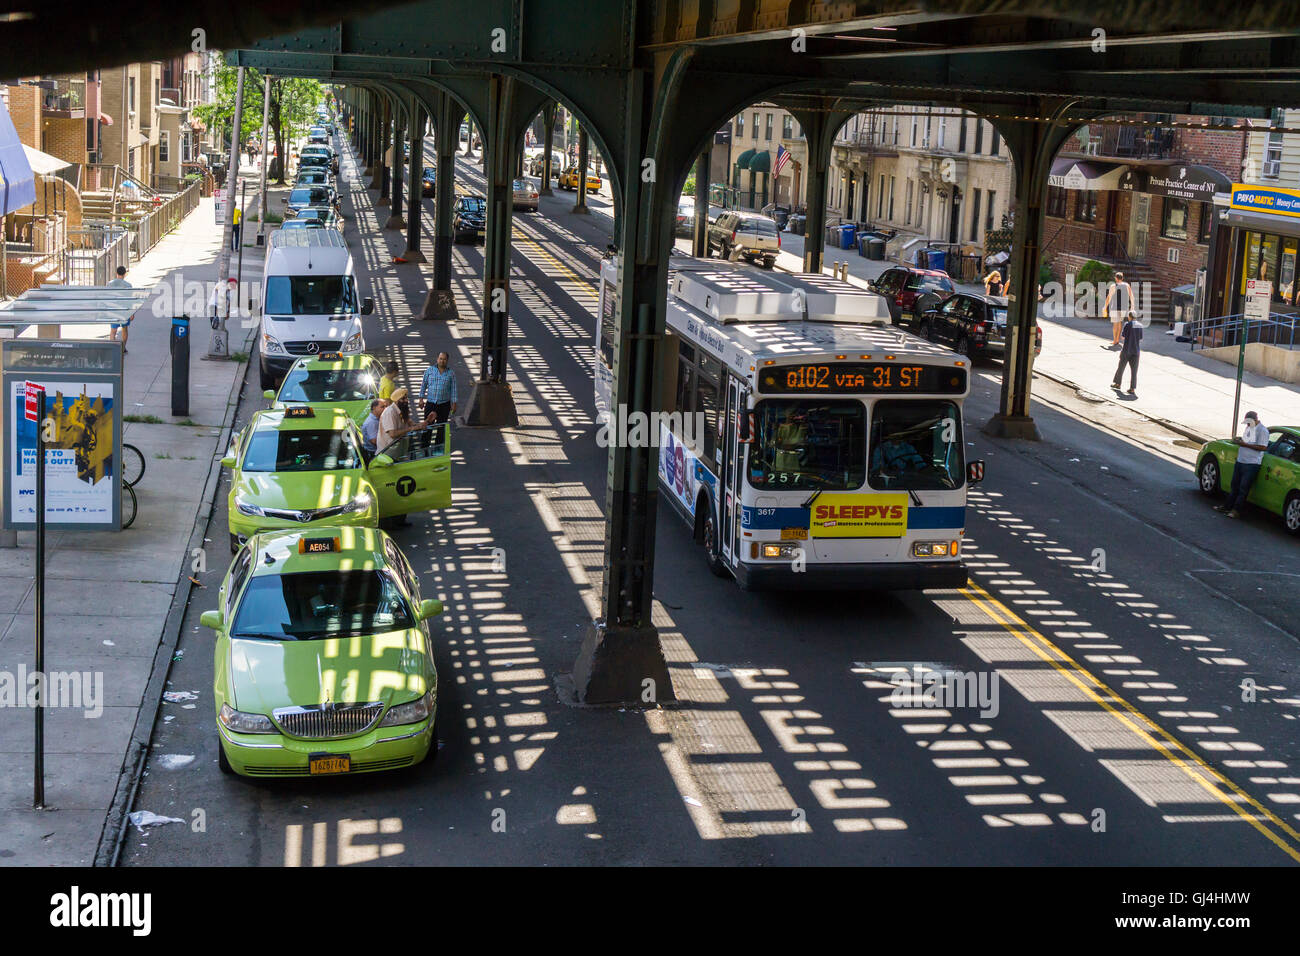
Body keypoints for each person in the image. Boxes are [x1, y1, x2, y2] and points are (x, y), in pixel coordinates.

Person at [1216, 412, 1270, 518]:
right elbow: (1247, 441)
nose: (1247, 425)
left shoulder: (1263, 431)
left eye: (1249, 423)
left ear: (1254, 420)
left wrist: (1244, 444)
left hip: (1251, 463)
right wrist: (1239, 441)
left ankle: (1236, 510)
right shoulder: (1249, 428)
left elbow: (1263, 447)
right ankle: (1227, 506)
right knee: (1234, 486)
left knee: (1243, 488)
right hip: (1241, 460)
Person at [420, 351, 458, 423]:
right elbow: (423, 384)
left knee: (441, 428)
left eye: (444, 359)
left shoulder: (451, 373)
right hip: (431, 403)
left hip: (444, 405)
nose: (442, 361)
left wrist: (454, 404)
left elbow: (454, 389)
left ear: (447, 361)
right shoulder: (429, 370)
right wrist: (421, 399)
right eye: (440, 359)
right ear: (437, 359)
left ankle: (440, 434)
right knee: (427, 427)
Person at [377, 387, 418, 452]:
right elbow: (392, 434)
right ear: (396, 401)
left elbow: (413, 424)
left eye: (406, 398)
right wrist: (411, 429)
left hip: (399, 451)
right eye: (403, 399)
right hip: (388, 453)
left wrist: (427, 421)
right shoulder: (390, 412)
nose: (406, 400)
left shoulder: (402, 410)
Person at [1111, 313, 1143, 396]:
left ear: (1129, 317)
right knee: (1134, 371)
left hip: (1126, 350)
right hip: (1136, 351)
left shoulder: (1127, 324)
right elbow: (1140, 339)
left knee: (1121, 367)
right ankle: (1132, 388)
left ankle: (1118, 384)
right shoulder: (1140, 325)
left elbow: (1123, 337)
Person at [1102, 272, 1134, 348]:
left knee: (1115, 324)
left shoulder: (1113, 286)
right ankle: (1117, 340)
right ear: (1122, 278)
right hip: (1124, 307)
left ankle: (1115, 340)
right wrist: (1132, 307)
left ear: (1116, 278)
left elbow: (1109, 297)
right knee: (1119, 323)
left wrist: (1105, 307)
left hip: (1115, 307)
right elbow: (1131, 296)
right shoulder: (1127, 285)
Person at [106, 265, 132, 353]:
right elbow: (130, 300)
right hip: (124, 310)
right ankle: (123, 347)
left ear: (116, 273)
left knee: (113, 331)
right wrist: (132, 313)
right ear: (125, 274)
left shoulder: (109, 284)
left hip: (113, 310)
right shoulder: (128, 285)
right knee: (124, 329)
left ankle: (112, 349)